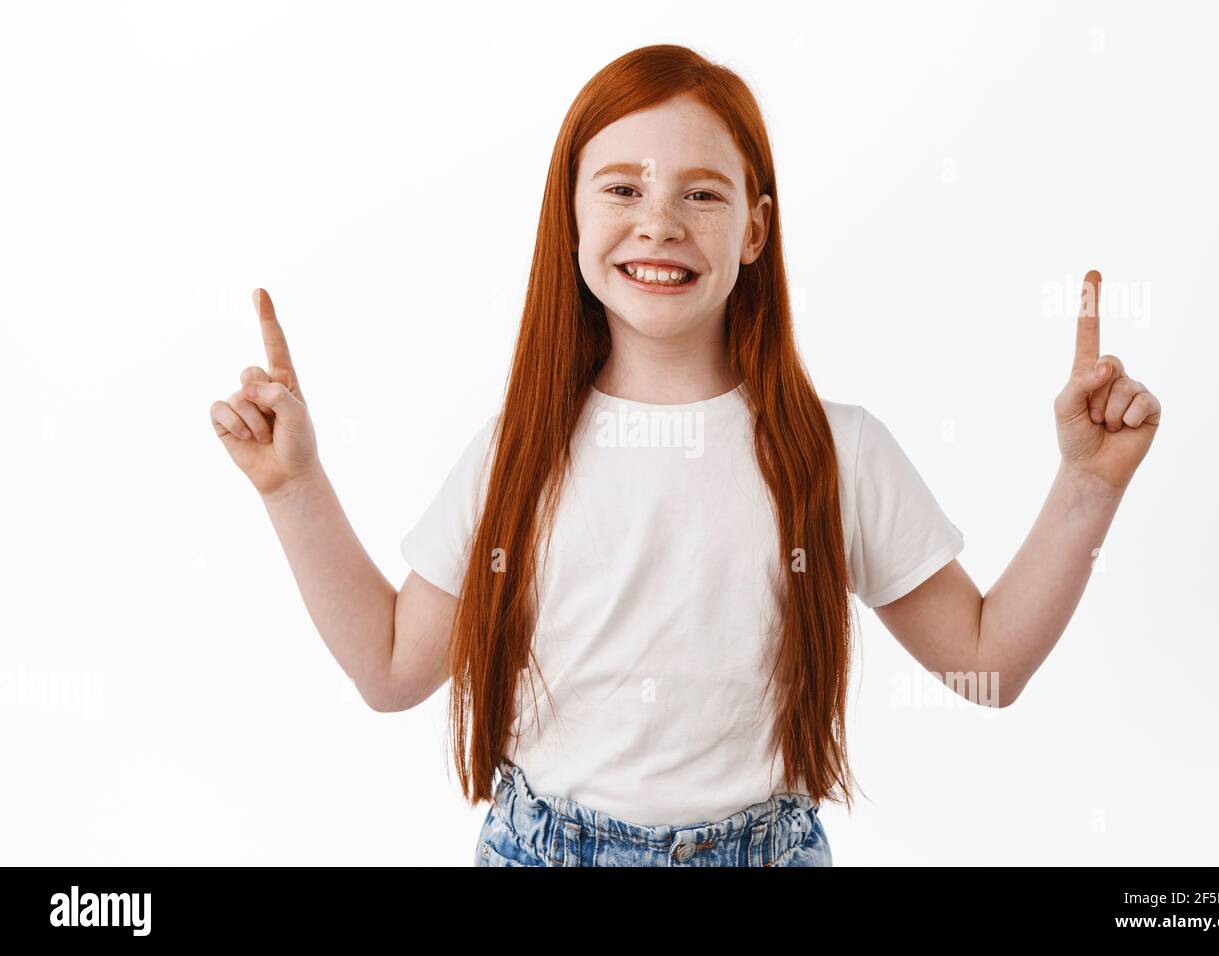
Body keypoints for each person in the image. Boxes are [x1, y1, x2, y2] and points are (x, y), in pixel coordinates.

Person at [209, 44, 1161, 867]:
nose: (659, 221)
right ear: (571, 219)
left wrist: (1087, 484)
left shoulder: (837, 454)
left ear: (754, 228)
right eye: (622, 187)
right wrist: (293, 486)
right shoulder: (518, 452)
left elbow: (983, 660)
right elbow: (390, 671)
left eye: (701, 194)